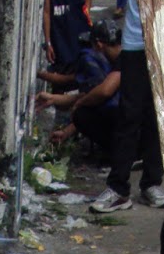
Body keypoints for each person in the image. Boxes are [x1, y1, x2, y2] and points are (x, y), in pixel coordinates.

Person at [88, 0, 164, 213]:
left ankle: (151, 183)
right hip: (136, 40)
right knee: (129, 113)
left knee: (157, 115)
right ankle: (119, 187)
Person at [36, 21, 121, 156]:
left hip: (137, 125)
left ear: (98, 44)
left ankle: (121, 152)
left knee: (83, 113)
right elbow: (88, 94)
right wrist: (53, 99)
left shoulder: (121, 62)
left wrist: (80, 103)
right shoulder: (112, 62)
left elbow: (103, 93)